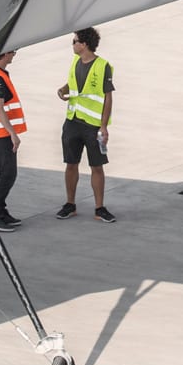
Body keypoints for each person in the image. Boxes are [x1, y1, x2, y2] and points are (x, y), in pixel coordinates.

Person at [54, 27, 116, 224]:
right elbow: (72, 82)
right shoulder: (75, 61)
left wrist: (103, 127)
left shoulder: (103, 66)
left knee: (96, 166)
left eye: (75, 41)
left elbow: (108, 98)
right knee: (71, 163)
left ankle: (100, 208)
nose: (72, 44)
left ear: (84, 44)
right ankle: (70, 204)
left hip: (93, 126)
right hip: (72, 121)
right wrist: (63, 89)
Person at [0, 49, 27, 232]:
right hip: (0, 133)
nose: (14, 54)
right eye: (13, 51)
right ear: (5, 54)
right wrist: (12, 133)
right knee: (9, 173)